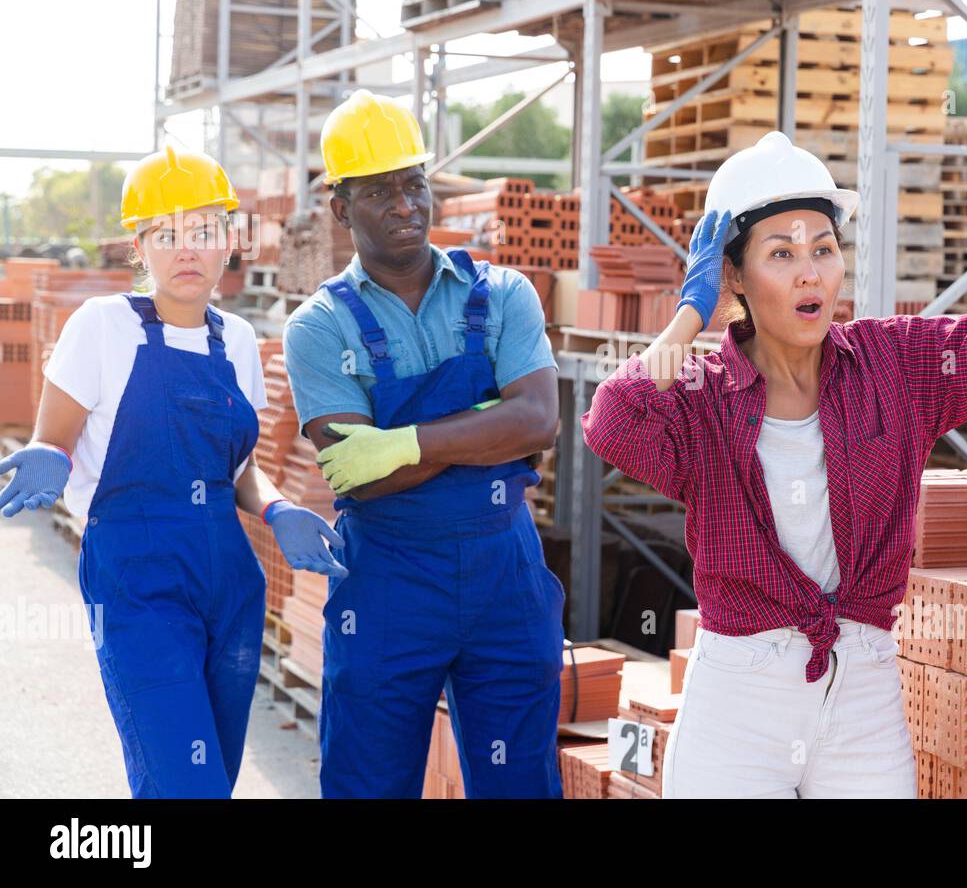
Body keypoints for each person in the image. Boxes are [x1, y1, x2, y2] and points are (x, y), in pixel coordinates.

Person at [582, 75, 967, 798]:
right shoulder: (701, 396)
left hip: (863, 693)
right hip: (737, 704)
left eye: (824, 249)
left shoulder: (893, 365)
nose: (811, 272)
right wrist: (689, 311)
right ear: (733, 277)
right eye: (780, 253)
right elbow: (613, 419)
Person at [0, 145, 347, 798]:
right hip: (138, 580)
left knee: (213, 776)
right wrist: (52, 453)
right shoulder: (101, 326)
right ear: (139, 246)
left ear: (228, 242)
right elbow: (56, 440)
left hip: (229, 582)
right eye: (167, 233)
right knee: (185, 785)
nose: (187, 248)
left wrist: (278, 508)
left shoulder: (237, 340)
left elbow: (240, 469)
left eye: (204, 230)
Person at [282, 90, 564, 799]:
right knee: (369, 784)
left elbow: (539, 422)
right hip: (387, 585)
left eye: (415, 184)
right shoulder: (319, 328)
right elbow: (360, 477)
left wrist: (401, 441)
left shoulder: (502, 294)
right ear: (341, 208)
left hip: (506, 576)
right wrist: (485, 424)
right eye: (381, 192)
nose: (407, 205)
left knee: (519, 783)